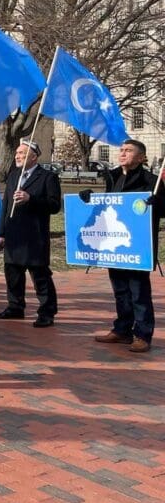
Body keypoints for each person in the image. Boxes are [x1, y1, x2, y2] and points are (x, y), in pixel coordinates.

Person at [90, 139, 165, 353]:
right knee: (120, 291)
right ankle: (122, 329)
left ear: (141, 157)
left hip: (137, 247)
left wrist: (158, 203)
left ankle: (142, 334)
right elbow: (107, 207)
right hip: (115, 245)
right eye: (121, 150)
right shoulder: (113, 177)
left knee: (138, 292)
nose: (122, 153)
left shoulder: (152, 181)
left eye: (128, 150)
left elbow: (163, 210)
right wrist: (89, 199)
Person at [0, 141, 61, 327]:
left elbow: (54, 206)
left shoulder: (47, 177)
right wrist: (1, 233)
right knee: (13, 275)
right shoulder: (13, 176)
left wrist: (30, 199)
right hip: (13, 235)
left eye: (22, 153)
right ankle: (15, 307)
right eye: (17, 153)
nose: (17, 156)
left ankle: (47, 312)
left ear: (34, 157)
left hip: (35, 236)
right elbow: (6, 206)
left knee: (40, 277)